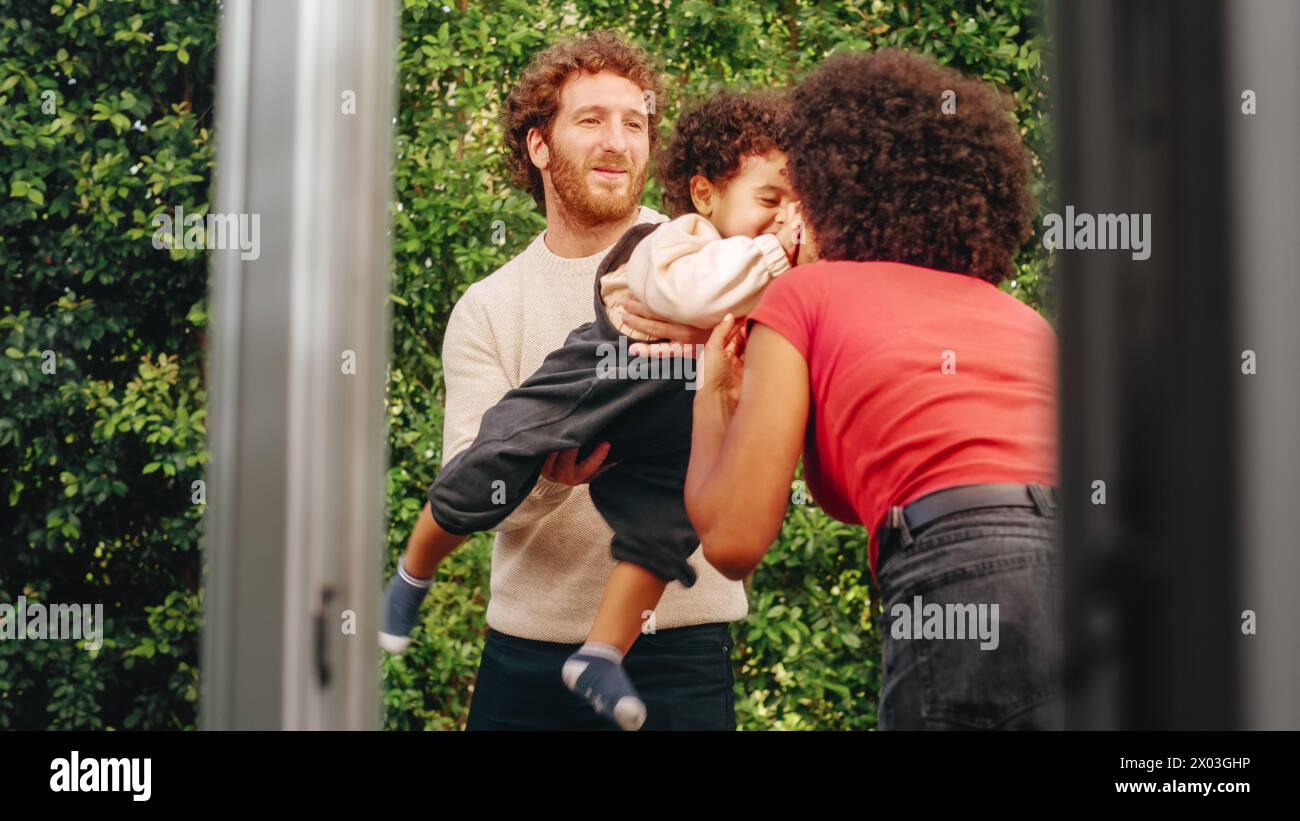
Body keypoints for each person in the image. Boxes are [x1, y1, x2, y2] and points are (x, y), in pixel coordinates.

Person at [382, 90, 800, 730]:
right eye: (591, 120)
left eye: (635, 122)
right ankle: (412, 576)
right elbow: (477, 472)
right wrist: (551, 480)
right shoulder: (495, 306)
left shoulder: (745, 269)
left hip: (682, 653)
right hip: (526, 657)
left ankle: (603, 652)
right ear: (539, 145)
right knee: (488, 466)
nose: (617, 139)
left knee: (662, 522)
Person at [677, 48, 1064, 730]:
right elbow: (863, 482)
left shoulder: (805, 296)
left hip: (969, 572)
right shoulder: (1023, 321)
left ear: (830, 197)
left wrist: (715, 391)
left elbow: (733, 538)